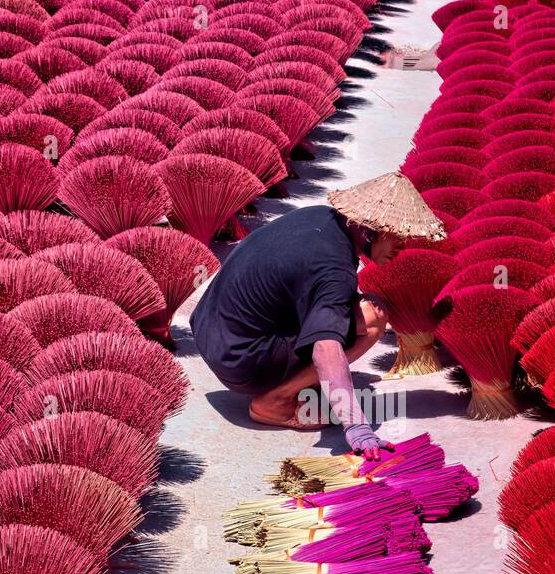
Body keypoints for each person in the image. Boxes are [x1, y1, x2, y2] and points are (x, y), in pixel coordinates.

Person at [189, 172, 447, 461]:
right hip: (241, 361)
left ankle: (301, 382)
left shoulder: (321, 218)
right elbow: (325, 347)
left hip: (209, 332)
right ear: (370, 230)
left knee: (341, 310)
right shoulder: (334, 269)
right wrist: (356, 425)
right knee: (373, 315)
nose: (402, 246)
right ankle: (276, 401)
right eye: (396, 235)